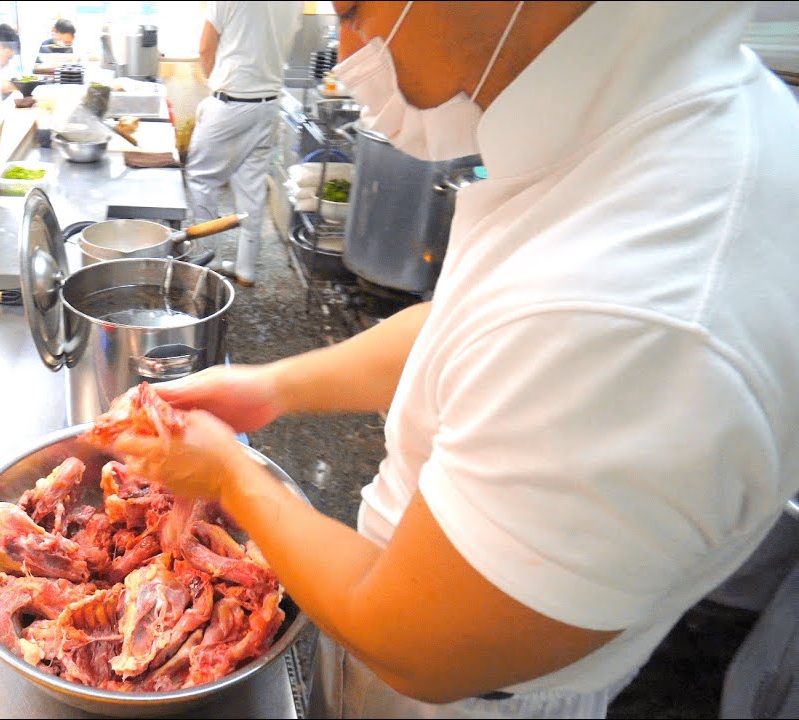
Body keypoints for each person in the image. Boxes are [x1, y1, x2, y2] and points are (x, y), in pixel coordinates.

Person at [109, 1, 799, 718]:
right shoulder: (643, 123)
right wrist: (271, 386)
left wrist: (230, 475)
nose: (348, 47)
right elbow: (464, 329)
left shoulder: (642, 312)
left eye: (354, 9)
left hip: (463, 690)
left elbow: (413, 644)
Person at [185, 2, 303, 288]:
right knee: (251, 187)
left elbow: (205, 48)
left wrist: (216, 84)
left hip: (231, 102)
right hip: (268, 105)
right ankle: (246, 269)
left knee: (202, 180)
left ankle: (208, 261)